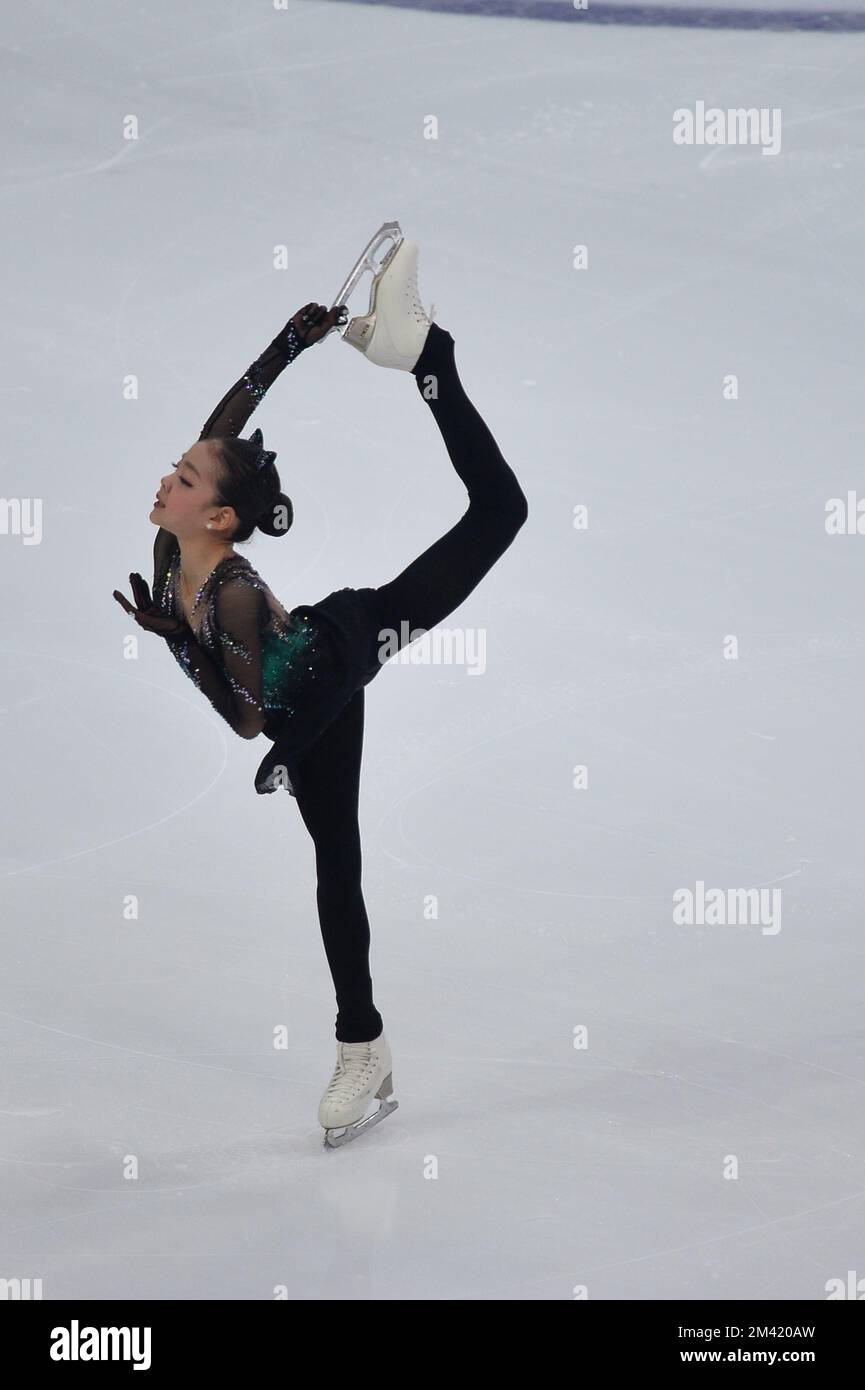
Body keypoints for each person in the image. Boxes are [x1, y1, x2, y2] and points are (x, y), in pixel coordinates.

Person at [114, 241, 528, 1144]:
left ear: (218, 518)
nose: (166, 478)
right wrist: (279, 350)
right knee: (334, 864)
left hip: (335, 673)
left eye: (181, 480)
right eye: (176, 471)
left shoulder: (224, 596)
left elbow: (250, 720)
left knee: (500, 514)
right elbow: (216, 435)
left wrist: (183, 648)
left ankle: (431, 361)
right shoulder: (171, 554)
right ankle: (365, 1049)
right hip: (302, 683)